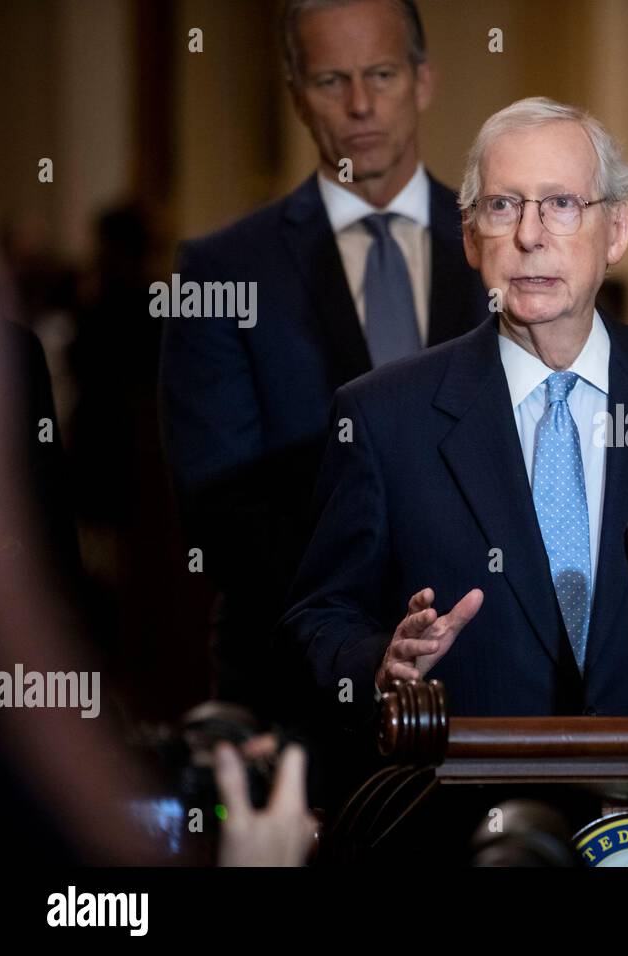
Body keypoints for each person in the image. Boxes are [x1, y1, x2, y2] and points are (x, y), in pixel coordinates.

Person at [282, 98, 628, 734]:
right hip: (462, 809)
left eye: (561, 204)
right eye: (503, 206)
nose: (530, 235)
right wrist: (380, 666)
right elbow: (321, 616)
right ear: (471, 238)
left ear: (616, 231)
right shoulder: (382, 416)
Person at [159, 0, 487, 715]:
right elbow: (222, 511)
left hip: (491, 685)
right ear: (296, 97)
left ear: (423, 81)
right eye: (332, 81)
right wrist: (367, 643)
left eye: (381, 73)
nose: (361, 104)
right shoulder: (219, 272)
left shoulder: (501, 249)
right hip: (297, 692)